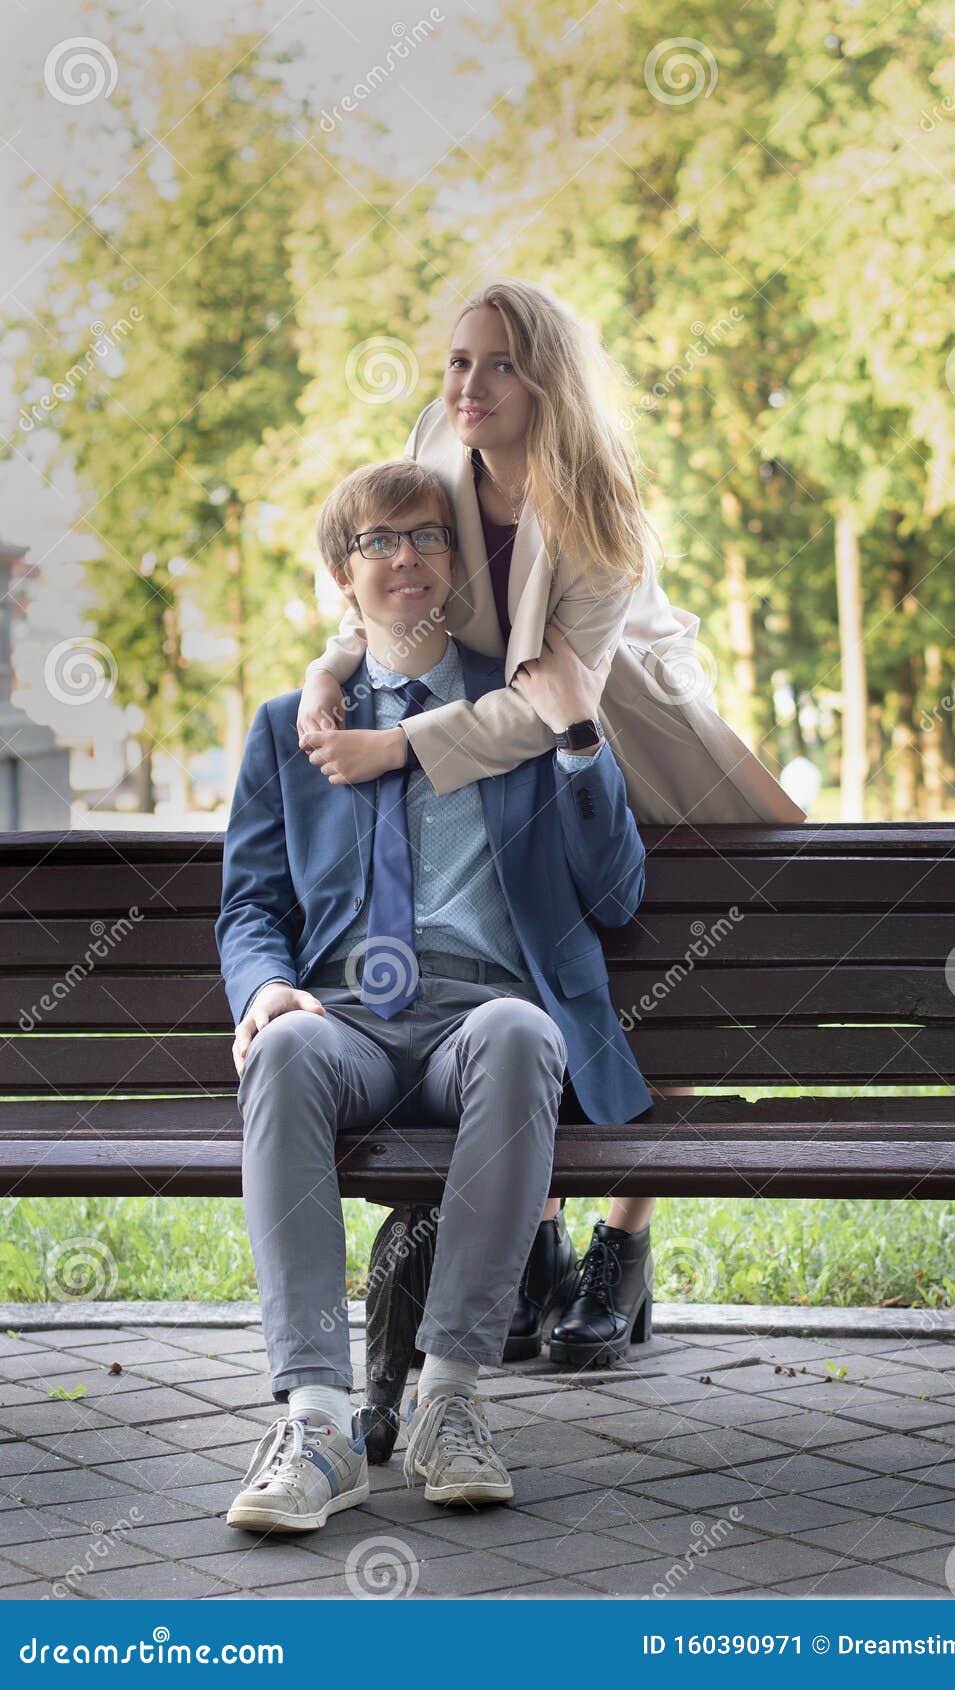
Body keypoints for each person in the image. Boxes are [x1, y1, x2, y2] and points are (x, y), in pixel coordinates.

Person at [297, 278, 805, 1366]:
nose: (469, 386)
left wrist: (398, 748)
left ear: (546, 380)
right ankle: (533, 1233)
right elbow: (391, 579)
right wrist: (330, 668)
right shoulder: (437, 439)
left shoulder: (598, 505)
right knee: (515, 955)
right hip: (484, 738)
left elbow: (557, 696)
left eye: (500, 365)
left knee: (650, 962)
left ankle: (623, 1245)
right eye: (458, 360)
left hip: (616, 725)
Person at [216, 457, 652, 1530]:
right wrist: (267, 986)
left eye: (427, 537)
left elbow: (617, 889)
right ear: (341, 573)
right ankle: (317, 1419)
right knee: (282, 1049)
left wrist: (580, 736)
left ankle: (449, 1398)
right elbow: (250, 904)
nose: (405, 557)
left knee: (518, 1029)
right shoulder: (288, 728)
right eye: (378, 542)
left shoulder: (506, 711)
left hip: (475, 1016)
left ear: (455, 563)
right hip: (346, 1021)